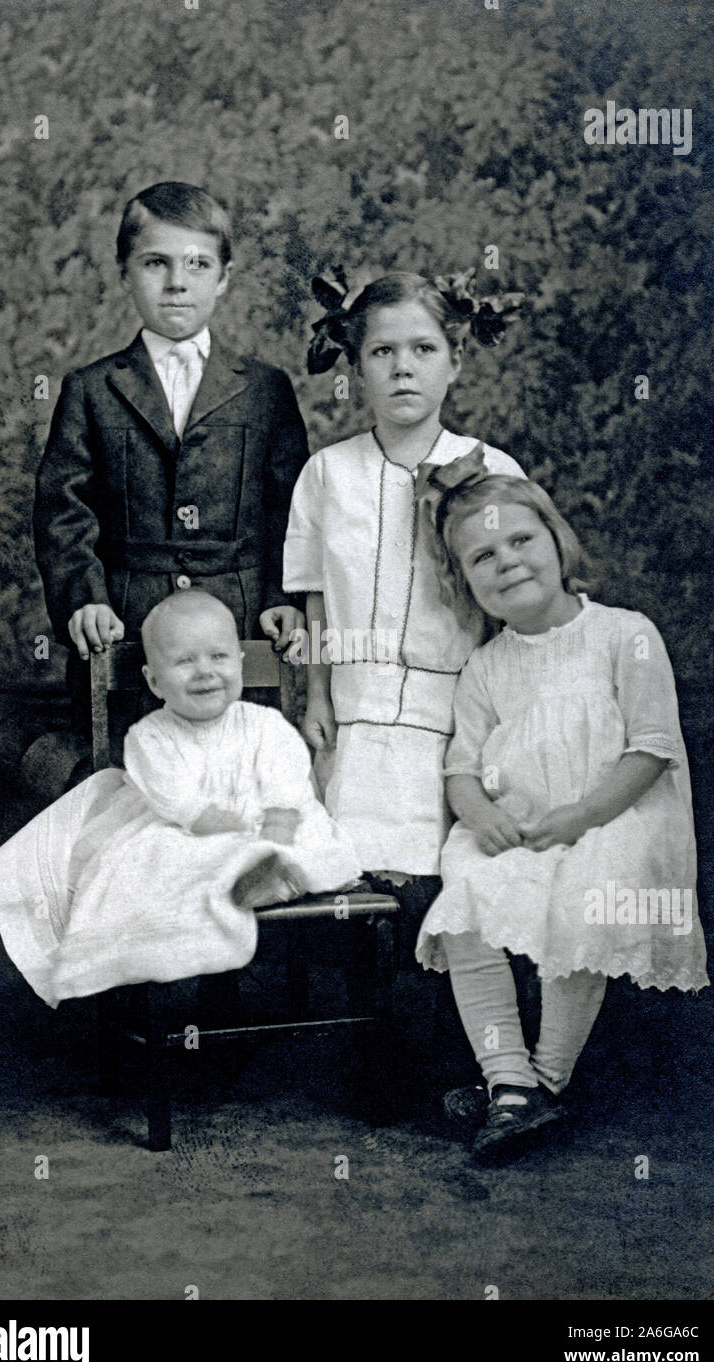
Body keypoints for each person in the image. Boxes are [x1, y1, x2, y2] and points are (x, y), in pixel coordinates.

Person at [414, 472, 709, 1162]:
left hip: (615, 818)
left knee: (585, 896)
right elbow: (461, 764)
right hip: (521, 826)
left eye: (520, 539)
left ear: (556, 541)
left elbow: (651, 750)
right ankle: (508, 1080)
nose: (506, 560)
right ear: (463, 581)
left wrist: (579, 817)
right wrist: (479, 812)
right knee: (466, 902)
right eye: (482, 558)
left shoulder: (623, 634)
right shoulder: (486, 665)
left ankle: (542, 1079)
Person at [33, 181, 308, 782]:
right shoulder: (90, 388)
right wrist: (86, 601)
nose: (177, 282)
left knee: (240, 777)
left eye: (198, 264)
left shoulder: (266, 389)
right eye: (156, 263)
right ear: (125, 273)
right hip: (126, 620)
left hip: (236, 624)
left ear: (225, 276)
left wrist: (281, 601)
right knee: (133, 781)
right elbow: (64, 512)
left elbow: (289, 515)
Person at [282, 267, 525, 930]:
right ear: (356, 369)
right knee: (352, 876)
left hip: (457, 718)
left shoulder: (491, 470)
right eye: (381, 352)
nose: (402, 369)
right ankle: (368, 1017)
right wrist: (318, 697)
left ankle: (446, 1016)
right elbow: (315, 601)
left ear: (454, 361)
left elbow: (514, 607)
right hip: (355, 718)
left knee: (450, 881)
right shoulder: (327, 474)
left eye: (422, 350)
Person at [0, 592, 361, 1009]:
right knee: (161, 857)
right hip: (192, 829)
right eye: (185, 662)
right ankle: (247, 879)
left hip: (269, 822)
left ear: (238, 660)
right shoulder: (151, 737)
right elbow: (178, 801)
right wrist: (226, 827)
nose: (205, 672)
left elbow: (286, 777)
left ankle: (276, 872)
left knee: (309, 837)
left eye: (219, 657)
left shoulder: (263, 724)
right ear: (153, 680)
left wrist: (277, 822)